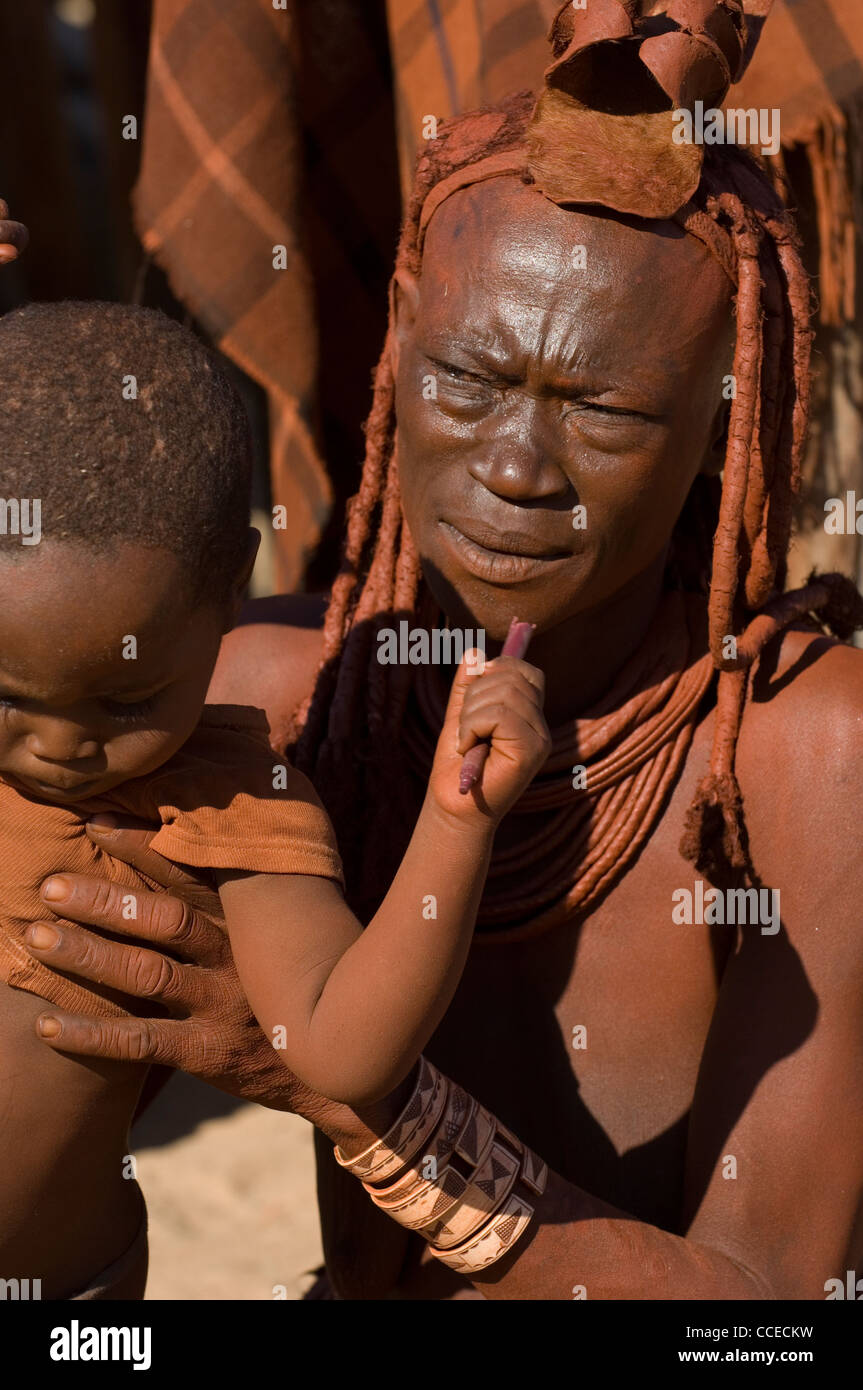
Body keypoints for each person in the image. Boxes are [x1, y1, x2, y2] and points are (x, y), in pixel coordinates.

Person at [24, 2, 863, 1299]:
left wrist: (373, 1106)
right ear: (402, 325)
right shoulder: (277, 704)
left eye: (600, 409)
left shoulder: (797, 756)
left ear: (717, 417)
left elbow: (763, 1307)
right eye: (466, 379)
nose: (516, 468)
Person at [0, 300, 549, 1299]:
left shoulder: (225, 801)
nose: (58, 742)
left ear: (228, 598)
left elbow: (340, 1049)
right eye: (6, 695)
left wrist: (456, 822)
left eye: (124, 697)